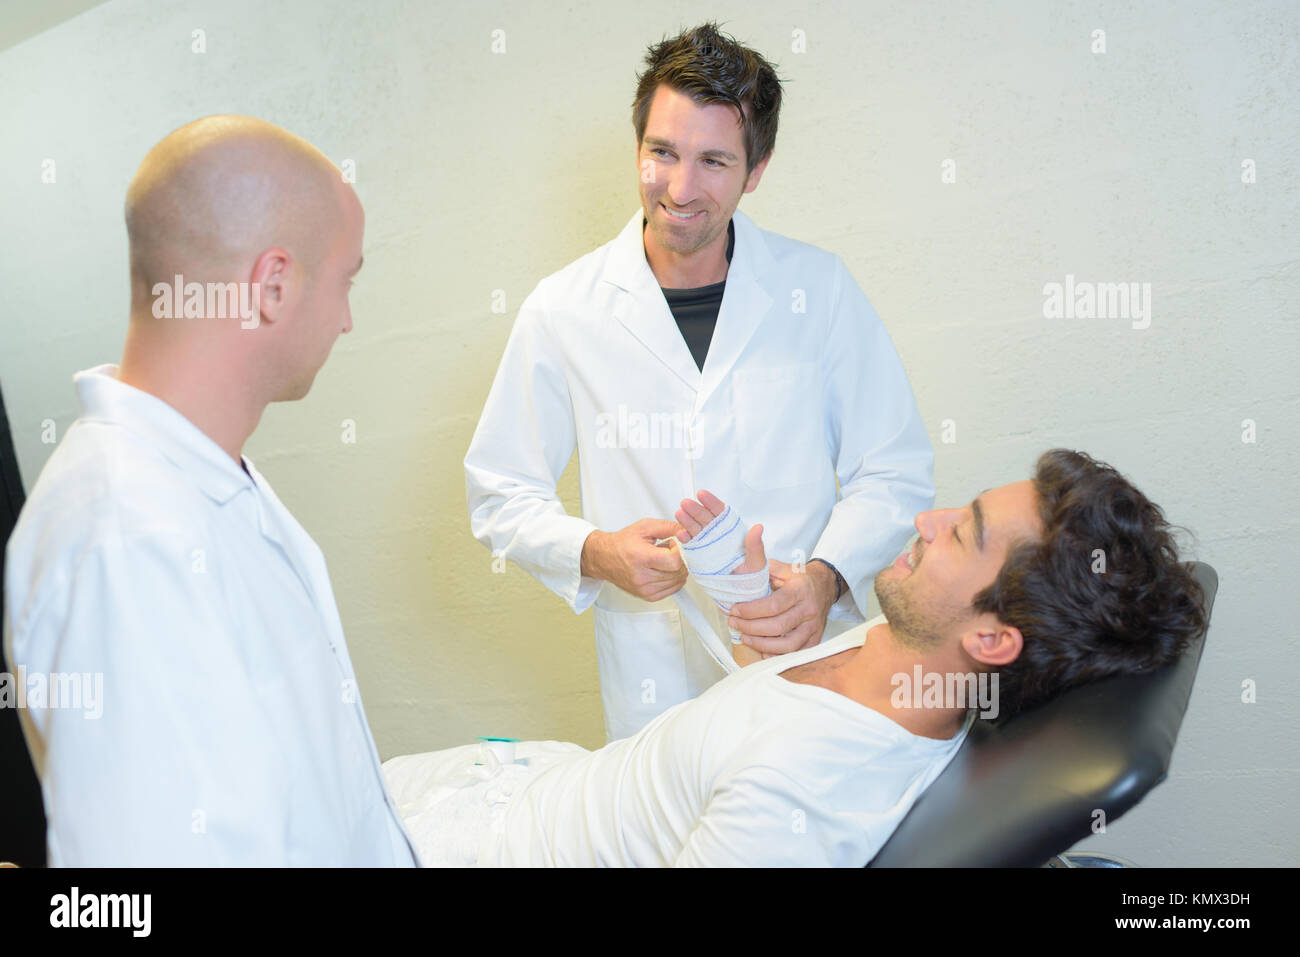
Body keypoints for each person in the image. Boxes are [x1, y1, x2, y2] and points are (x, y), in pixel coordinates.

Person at [388, 449, 1206, 866]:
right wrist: (739, 589)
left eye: (963, 533)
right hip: (517, 789)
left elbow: (781, 767)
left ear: (992, 639)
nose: (928, 519)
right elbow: (767, 701)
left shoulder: (814, 787)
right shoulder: (903, 654)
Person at [464, 22, 934, 741]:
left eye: (714, 160)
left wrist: (823, 579)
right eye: (662, 152)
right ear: (639, 147)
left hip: (807, 658)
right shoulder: (564, 309)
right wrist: (598, 553)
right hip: (656, 682)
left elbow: (894, 471)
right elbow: (499, 490)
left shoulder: (819, 289)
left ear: (757, 167)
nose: (680, 188)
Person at [2, 115, 418, 866]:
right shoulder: (124, 539)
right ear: (273, 285)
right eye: (345, 281)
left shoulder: (199, 480)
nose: (349, 319)